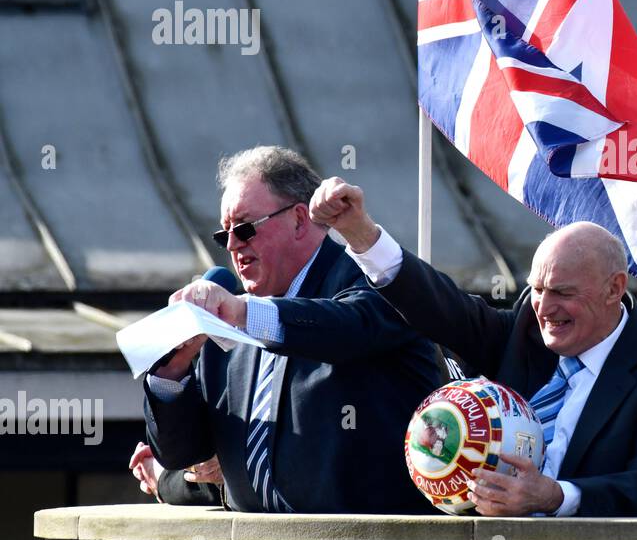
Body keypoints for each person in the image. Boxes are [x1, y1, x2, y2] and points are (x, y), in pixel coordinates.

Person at [308, 177, 637, 518]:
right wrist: (360, 234)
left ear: (614, 289)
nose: (545, 307)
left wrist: (555, 496)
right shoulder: (522, 330)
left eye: (562, 292)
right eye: (537, 289)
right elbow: (440, 306)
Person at [142, 147, 462, 514]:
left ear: (298, 219)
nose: (233, 245)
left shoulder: (377, 280)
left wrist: (244, 312)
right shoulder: (227, 322)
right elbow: (185, 453)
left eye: (245, 229)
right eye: (224, 235)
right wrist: (172, 372)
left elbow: (345, 329)